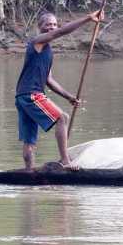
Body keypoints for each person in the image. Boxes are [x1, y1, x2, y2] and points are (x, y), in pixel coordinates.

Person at [15, 11, 102, 171]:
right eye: (48, 24)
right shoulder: (37, 42)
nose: (52, 27)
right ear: (40, 27)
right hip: (30, 94)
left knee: (29, 140)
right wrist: (88, 18)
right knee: (62, 117)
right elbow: (61, 32)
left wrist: (69, 97)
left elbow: (49, 80)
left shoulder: (47, 51)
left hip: (22, 96)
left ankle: (29, 173)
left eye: (54, 24)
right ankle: (65, 161)